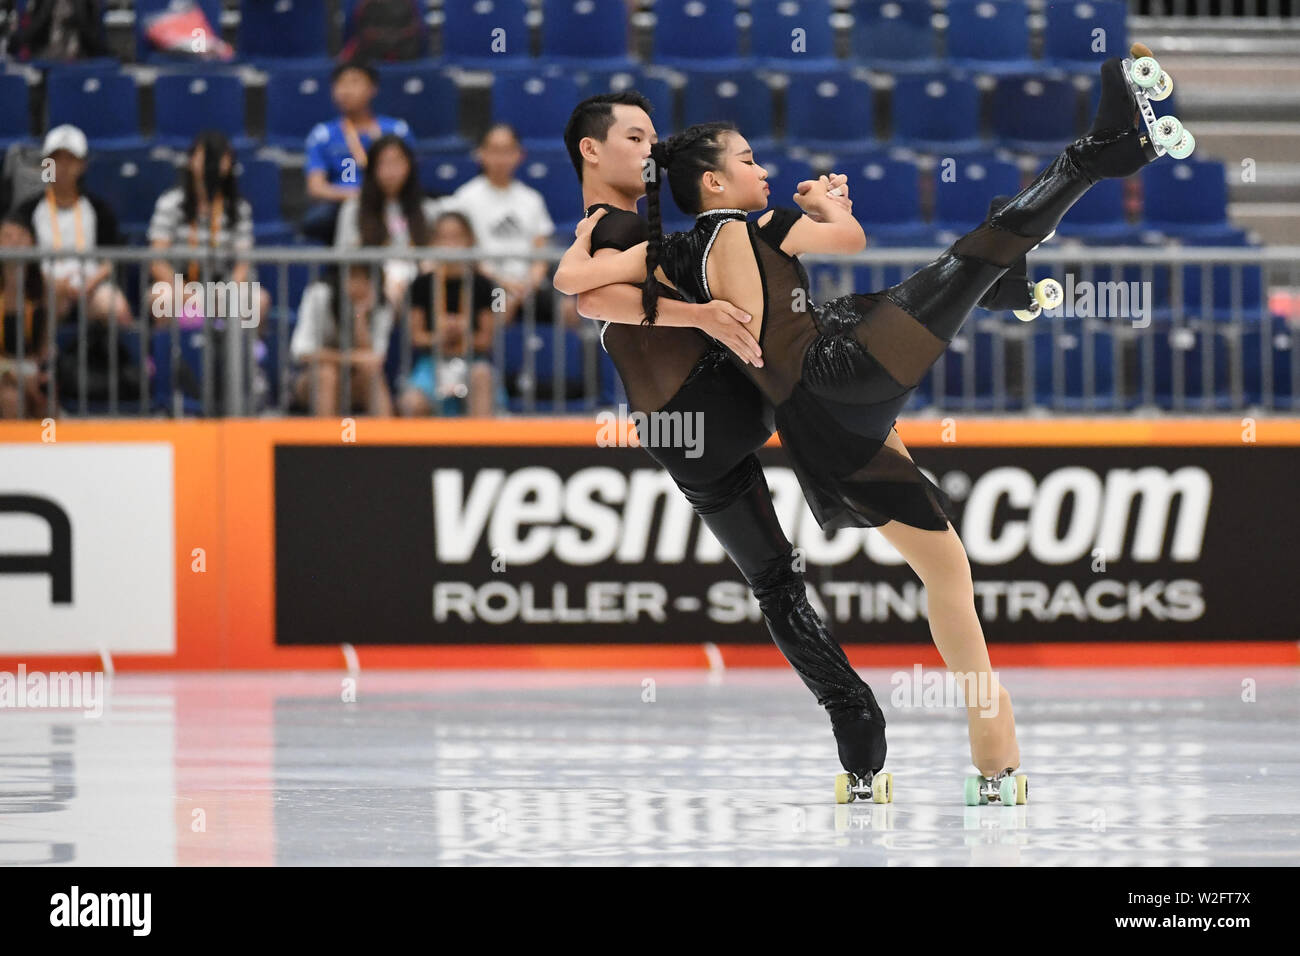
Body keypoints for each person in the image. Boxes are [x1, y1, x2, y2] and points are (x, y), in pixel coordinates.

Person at [555, 53, 1167, 786]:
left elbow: (840, 244)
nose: (763, 167)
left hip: (818, 418)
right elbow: (577, 286)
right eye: (748, 158)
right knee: (969, 258)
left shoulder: (721, 239)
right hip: (822, 389)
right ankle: (1096, 156)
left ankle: (995, 753)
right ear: (713, 180)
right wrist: (715, 304)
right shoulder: (709, 239)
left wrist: (812, 222)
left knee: (948, 571)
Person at [560, 92, 889, 790]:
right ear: (591, 150)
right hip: (713, 403)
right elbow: (591, 298)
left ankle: (856, 725)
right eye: (634, 136)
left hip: (680, 439)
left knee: (775, 583)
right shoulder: (616, 224)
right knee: (784, 286)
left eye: (653, 138)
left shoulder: (609, 226)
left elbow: (578, 285)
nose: (649, 149)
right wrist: (702, 315)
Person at [11, 124, 129, 327]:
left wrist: (91, 283)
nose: (63, 166)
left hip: (90, 285)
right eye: (56, 159)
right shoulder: (28, 210)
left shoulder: (98, 209)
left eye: (71, 159)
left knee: (115, 305)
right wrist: (52, 284)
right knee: (38, 305)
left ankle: (132, 356)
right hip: (45, 285)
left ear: (83, 165)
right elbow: (20, 258)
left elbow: (112, 257)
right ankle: (39, 357)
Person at [147, 129, 267, 327]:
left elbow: (243, 264)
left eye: (220, 156)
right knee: (162, 297)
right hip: (180, 284)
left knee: (257, 300)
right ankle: (166, 354)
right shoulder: (170, 202)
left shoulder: (239, 209)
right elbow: (157, 261)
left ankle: (245, 355)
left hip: (222, 286)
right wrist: (189, 294)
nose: (212, 162)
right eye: (205, 155)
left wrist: (223, 294)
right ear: (191, 160)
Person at [446, 123, 562, 326]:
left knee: (566, 310)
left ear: (520, 154)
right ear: (480, 153)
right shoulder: (465, 198)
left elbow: (540, 254)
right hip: (487, 283)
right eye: (494, 150)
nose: (500, 158)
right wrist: (504, 283)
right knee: (499, 307)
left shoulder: (531, 199)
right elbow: (463, 250)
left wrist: (526, 286)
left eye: (507, 150)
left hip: (527, 287)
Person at [302, 60, 415, 244]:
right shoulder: (322, 135)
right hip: (344, 205)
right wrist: (360, 195)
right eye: (341, 83)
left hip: (392, 200)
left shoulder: (396, 130)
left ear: (372, 88)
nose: (346, 90)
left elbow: (411, 176)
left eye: (354, 82)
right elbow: (316, 187)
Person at [397, 211, 497, 417]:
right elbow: (416, 336)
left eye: (457, 237)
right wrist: (439, 337)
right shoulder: (420, 284)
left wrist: (463, 333)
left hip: (473, 361)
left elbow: (487, 339)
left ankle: (483, 448)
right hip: (432, 363)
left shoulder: (488, 285)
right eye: (443, 237)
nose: (450, 244)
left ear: (469, 240)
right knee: (410, 402)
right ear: (433, 242)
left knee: (482, 376)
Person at [334, 133, 445, 309]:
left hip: (418, 283)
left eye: (397, 162)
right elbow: (344, 255)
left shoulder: (428, 209)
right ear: (372, 169)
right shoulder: (353, 208)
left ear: (409, 166)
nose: (391, 171)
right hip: (372, 282)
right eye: (383, 163)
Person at [291, 263, 394, 416]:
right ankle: (328, 439)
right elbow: (302, 351)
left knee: (372, 374)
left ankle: (387, 438)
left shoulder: (381, 305)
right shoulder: (319, 294)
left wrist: (359, 315)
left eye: (365, 279)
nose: (357, 284)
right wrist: (351, 358)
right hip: (312, 380)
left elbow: (373, 360)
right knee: (327, 374)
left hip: (354, 383)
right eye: (352, 276)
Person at [0, 216, 50, 419]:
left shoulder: (45, 288)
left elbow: (45, 346)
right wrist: (13, 375)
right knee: (11, 399)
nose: (14, 242)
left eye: (21, 236)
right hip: (3, 371)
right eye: (6, 236)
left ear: (32, 244)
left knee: (48, 400)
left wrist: (41, 372)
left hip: (30, 367)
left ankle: (49, 449)